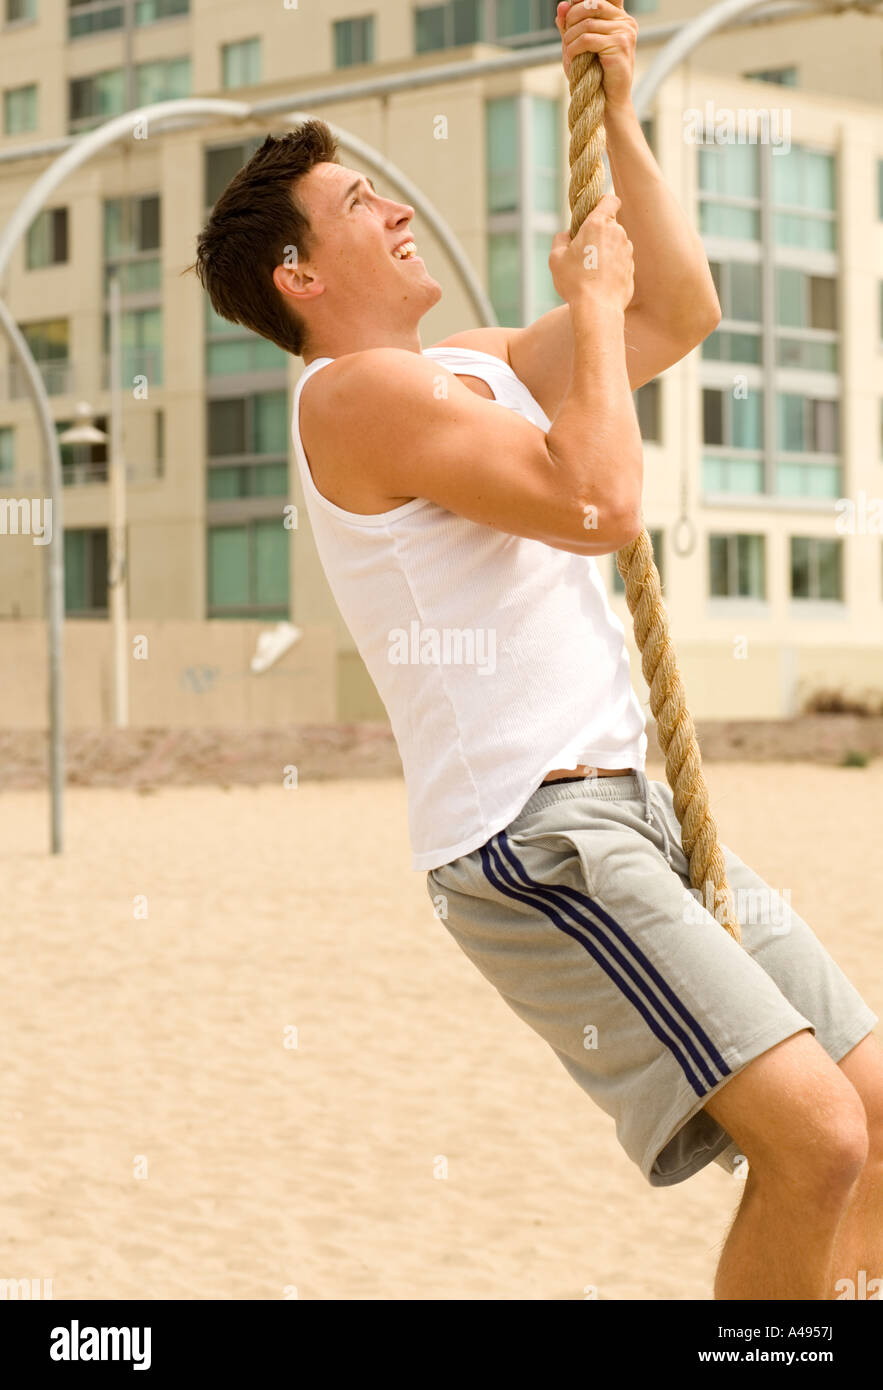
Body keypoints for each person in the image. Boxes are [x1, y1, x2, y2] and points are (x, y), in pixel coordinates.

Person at [189, 0, 882, 1301]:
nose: (398, 209)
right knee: (819, 1134)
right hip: (539, 828)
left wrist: (615, 113)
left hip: (642, 808)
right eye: (361, 203)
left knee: (875, 1111)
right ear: (301, 273)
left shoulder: (467, 365)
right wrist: (596, 315)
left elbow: (680, 309)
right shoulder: (356, 395)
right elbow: (598, 504)